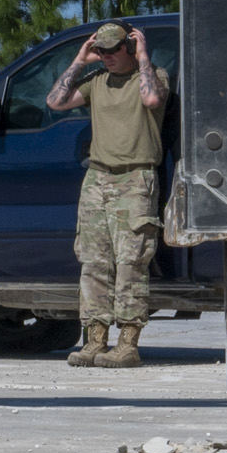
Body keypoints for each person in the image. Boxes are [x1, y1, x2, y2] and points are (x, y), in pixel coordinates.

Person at [46, 21, 169, 369]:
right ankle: (95, 340)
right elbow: (55, 102)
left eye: (114, 49)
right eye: (101, 50)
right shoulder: (96, 80)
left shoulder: (153, 75)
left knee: (131, 263)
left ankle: (128, 343)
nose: (107, 56)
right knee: (94, 263)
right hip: (98, 178)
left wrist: (143, 56)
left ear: (129, 47)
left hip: (135, 178)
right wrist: (80, 60)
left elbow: (152, 98)